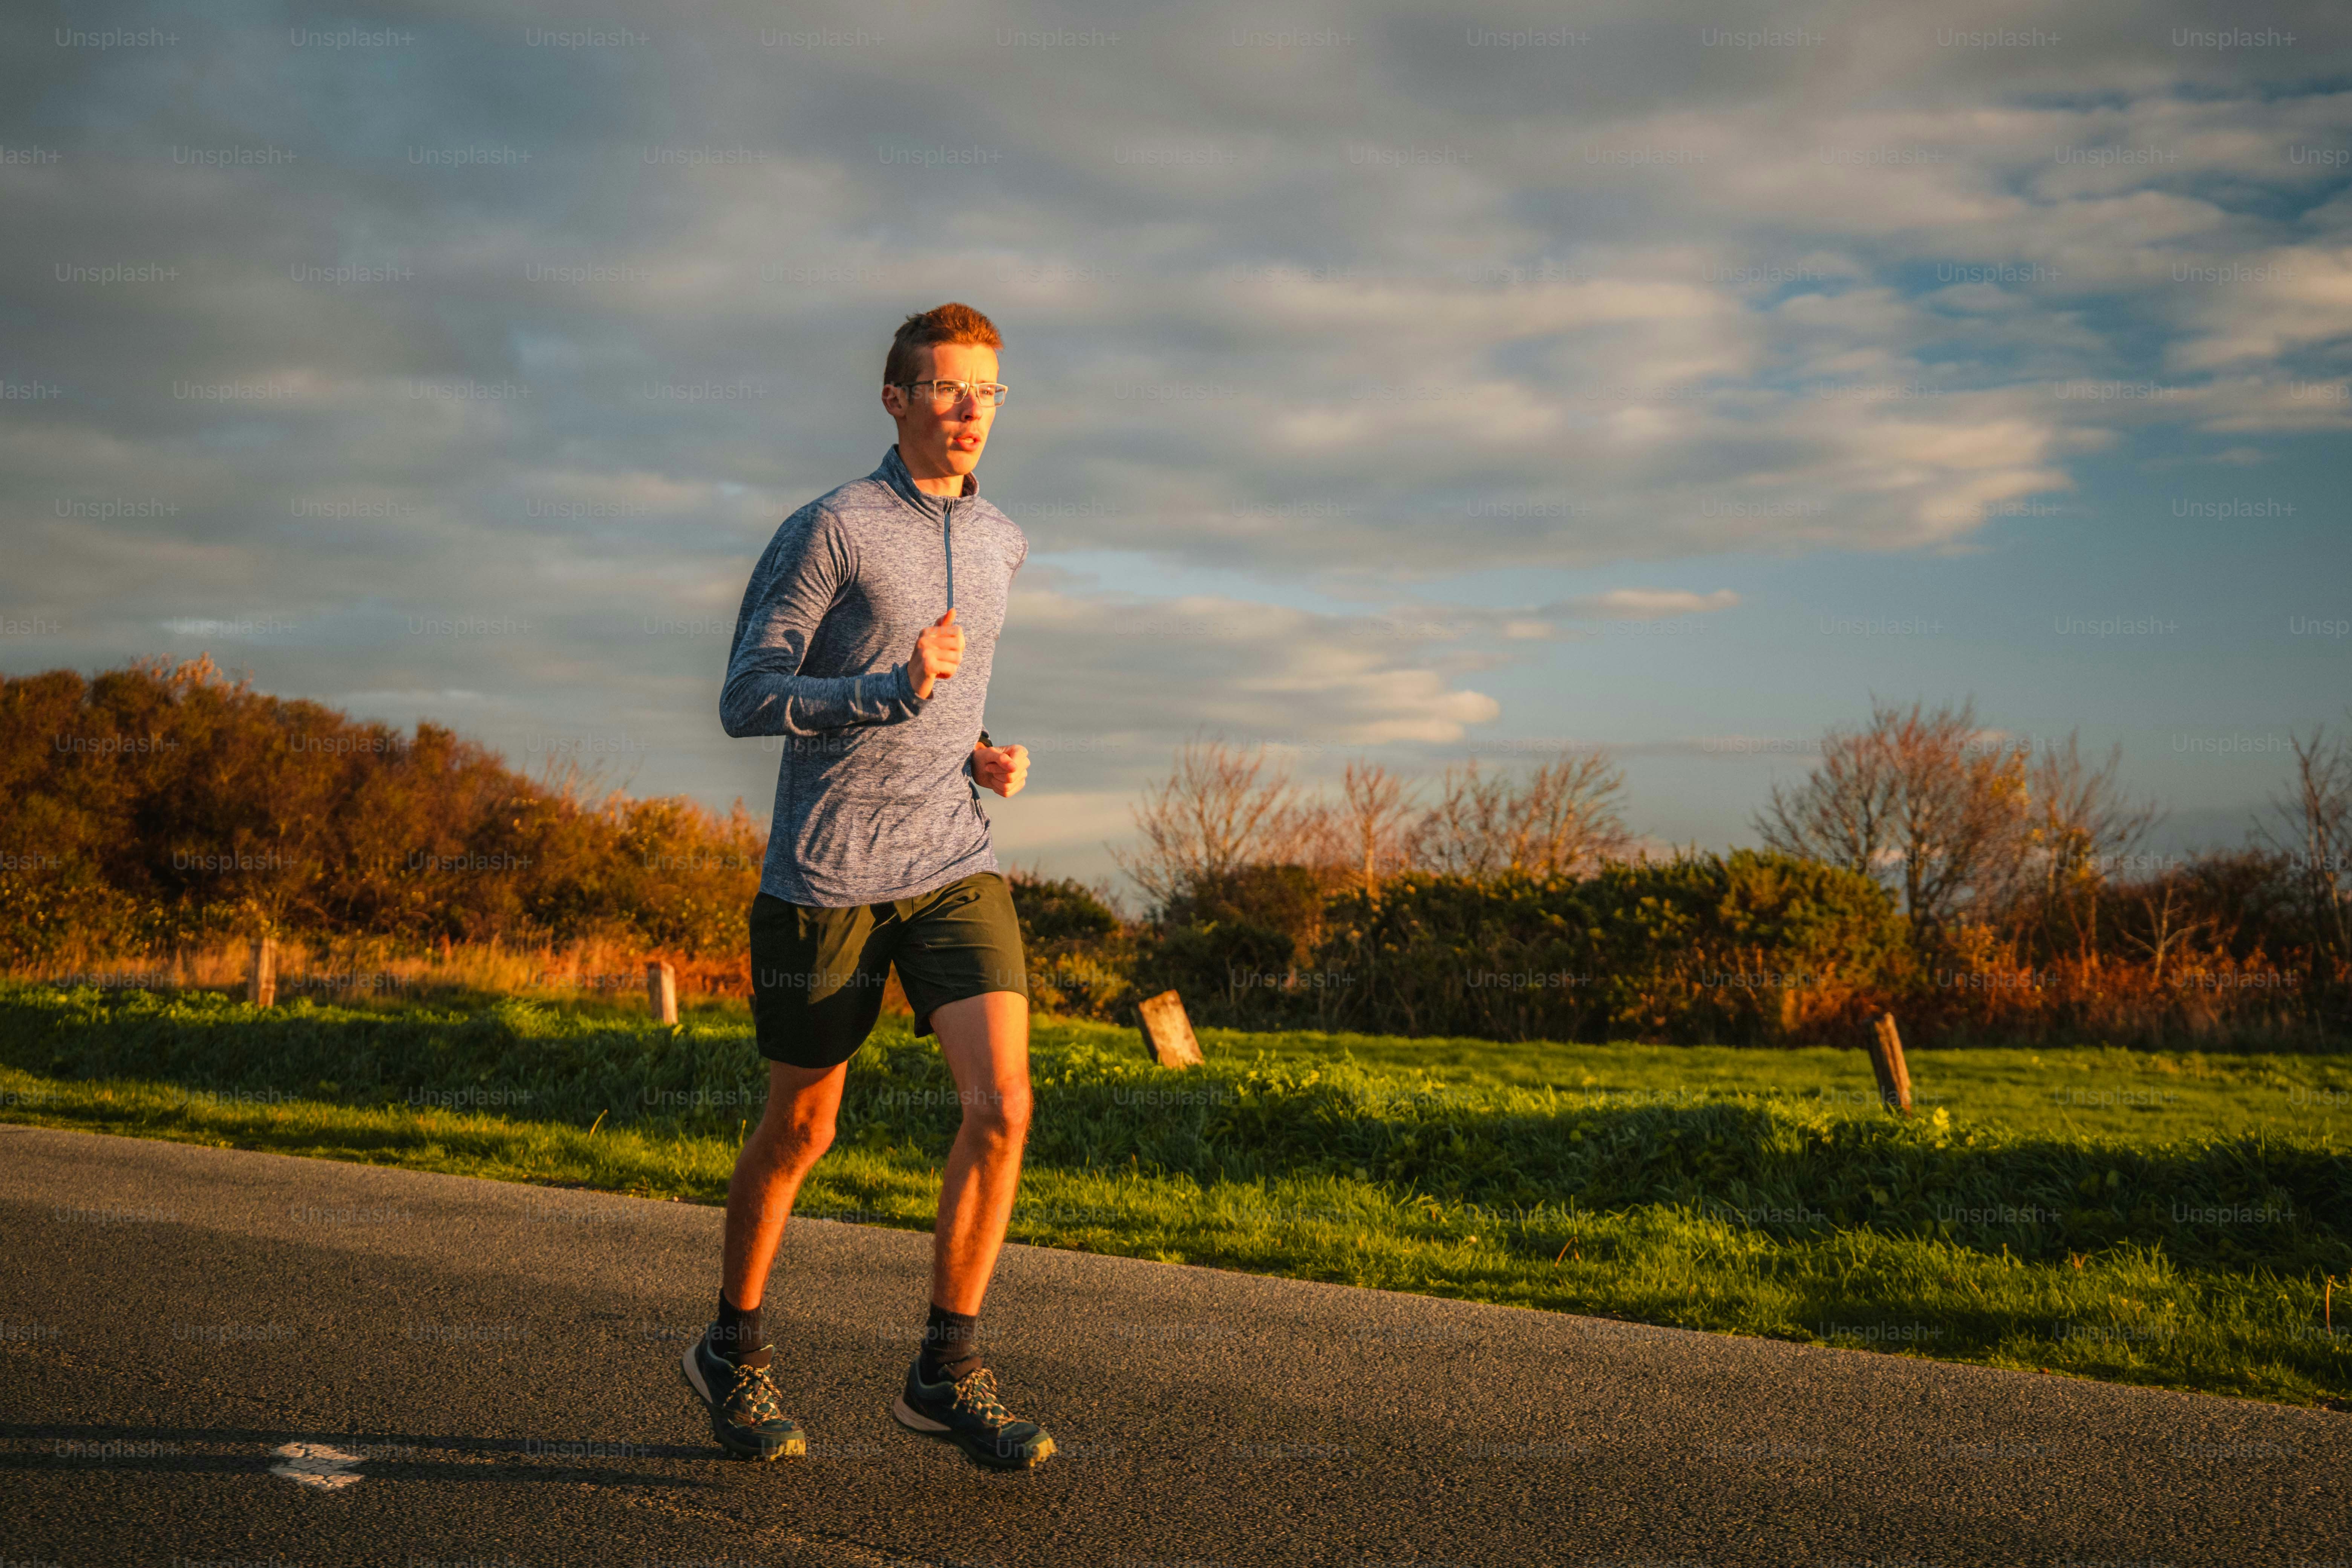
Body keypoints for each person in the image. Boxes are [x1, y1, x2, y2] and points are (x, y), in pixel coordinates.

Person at [678, 302, 1051, 1471]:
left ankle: (947, 1367)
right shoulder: (829, 529)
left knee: (1004, 1105)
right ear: (894, 399)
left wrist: (983, 747)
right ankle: (731, 1350)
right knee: (804, 1125)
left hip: (952, 859)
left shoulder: (1004, 541)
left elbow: (952, 685)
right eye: (944, 388)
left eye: (985, 390)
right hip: (827, 878)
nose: (967, 409)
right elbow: (748, 697)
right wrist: (888, 691)